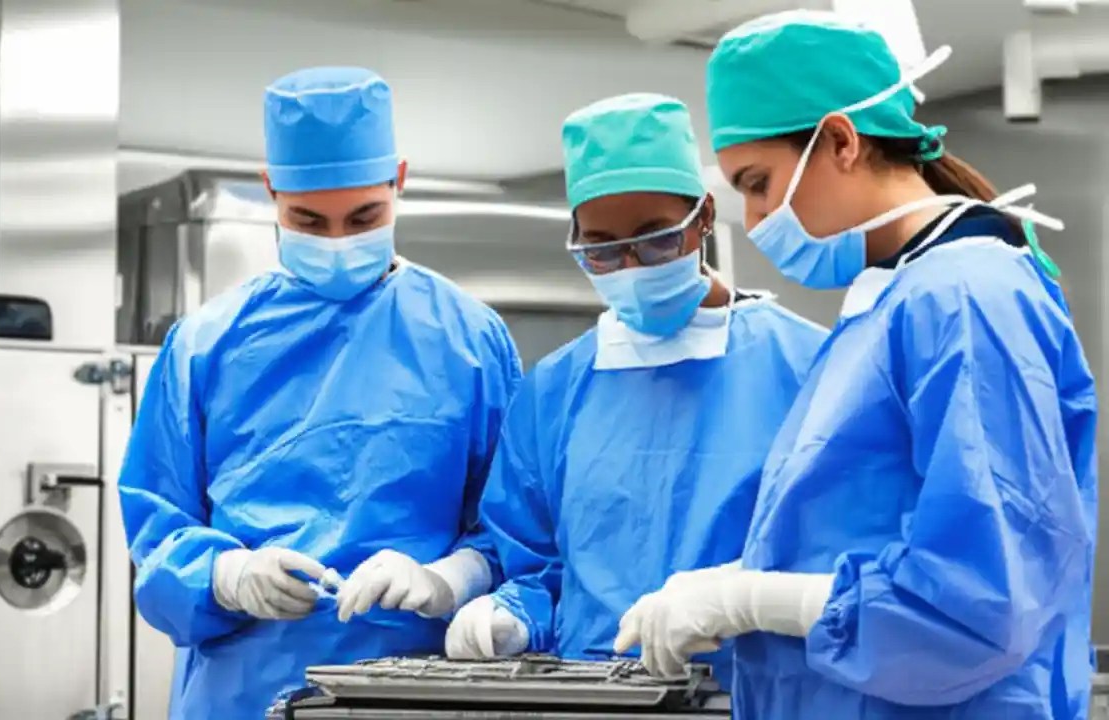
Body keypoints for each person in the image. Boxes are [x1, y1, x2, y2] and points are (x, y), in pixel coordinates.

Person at [613, 11, 1098, 720]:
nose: (752, 219)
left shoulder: (965, 296)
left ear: (840, 140)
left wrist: (751, 599)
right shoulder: (892, 300)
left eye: (757, 182)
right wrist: (744, 585)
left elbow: (980, 601)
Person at [119, 66, 522, 719]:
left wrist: (449, 581)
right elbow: (157, 534)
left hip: (418, 695)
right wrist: (226, 578)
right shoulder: (207, 343)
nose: (338, 242)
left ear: (400, 179)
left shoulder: (471, 341)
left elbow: (515, 528)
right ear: (270, 190)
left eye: (364, 216)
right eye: (309, 220)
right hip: (244, 694)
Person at [423, 93, 826, 694]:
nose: (632, 266)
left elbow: (841, 555)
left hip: (762, 695)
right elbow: (535, 564)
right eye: (603, 250)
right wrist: (509, 616)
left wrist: (743, 602)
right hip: (595, 698)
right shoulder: (554, 392)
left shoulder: (807, 364)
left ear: (705, 216)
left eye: (657, 239)